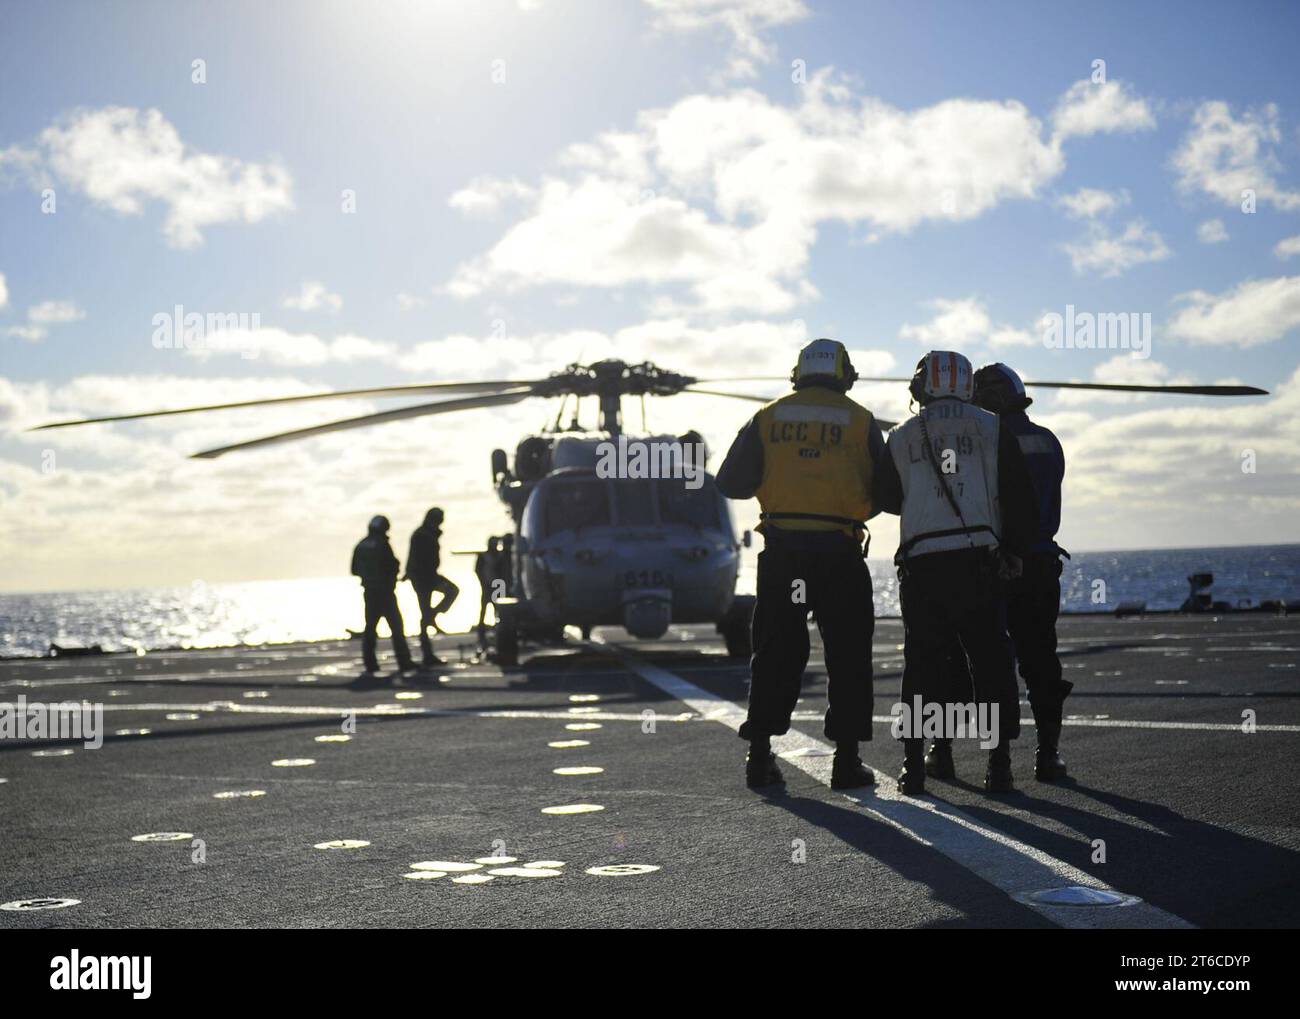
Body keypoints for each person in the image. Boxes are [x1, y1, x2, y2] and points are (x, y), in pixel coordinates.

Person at [716, 338, 895, 791]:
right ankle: (846, 761)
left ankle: (759, 756)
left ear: (797, 374)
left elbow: (730, 482)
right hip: (839, 550)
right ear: (845, 376)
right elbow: (892, 494)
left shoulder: (769, 416)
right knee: (848, 654)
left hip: (783, 553)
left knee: (775, 652)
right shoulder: (860, 420)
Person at [874, 351, 1037, 795]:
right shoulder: (992, 426)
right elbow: (1017, 495)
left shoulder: (902, 435)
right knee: (989, 661)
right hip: (978, 562)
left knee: (923, 666)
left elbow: (886, 498)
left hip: (923, 565)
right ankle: (997, 764)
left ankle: (917, 763)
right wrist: (1016, 552)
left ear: (921, 387)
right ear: (967, 385)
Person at [974, 362, 1071, 781]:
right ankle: (1047, 755)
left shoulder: (983, 441)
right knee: (1041, 659)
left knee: (993, 664)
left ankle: (999, 763)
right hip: (1040, 564)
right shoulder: (1047, 441)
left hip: (993, 565)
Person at [351, 515, 415, 675]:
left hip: (370, 591)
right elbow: (391, 565)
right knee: (396, 627)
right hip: (385, 592)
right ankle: (404, 661)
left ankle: (370, 662)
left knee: (370, 628)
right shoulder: (381, 544)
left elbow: (354, 569)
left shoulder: (361, 545)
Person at [404, 507, 459, 667]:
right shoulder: (422, 535)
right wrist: (410, 573)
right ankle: (427, 653)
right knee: (426, 612)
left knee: (452, 591)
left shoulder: (426, 533)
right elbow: (414, 556)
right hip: (423, 578)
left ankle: (433, 616)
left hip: (428, 576)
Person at [474, 537, 501, 642]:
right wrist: (482, 582)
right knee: (484, 610)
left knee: (498, 611)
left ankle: (497, 632)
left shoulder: (500, 556)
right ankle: (481, 634)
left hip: (498, 585)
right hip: (487, 585)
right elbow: (478, 570)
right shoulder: (483, 556)